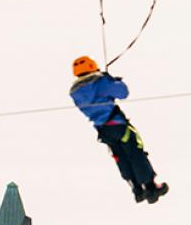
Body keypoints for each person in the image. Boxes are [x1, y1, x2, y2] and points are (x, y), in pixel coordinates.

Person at [69, 56, 168, 203]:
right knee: (135, 152)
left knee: (121, 157)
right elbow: (123, 92)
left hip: (103, 130)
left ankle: (137, 189)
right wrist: (112, 80)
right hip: (117, 124)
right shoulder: (100, 82)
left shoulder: (75, 93)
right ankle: (151, 187)